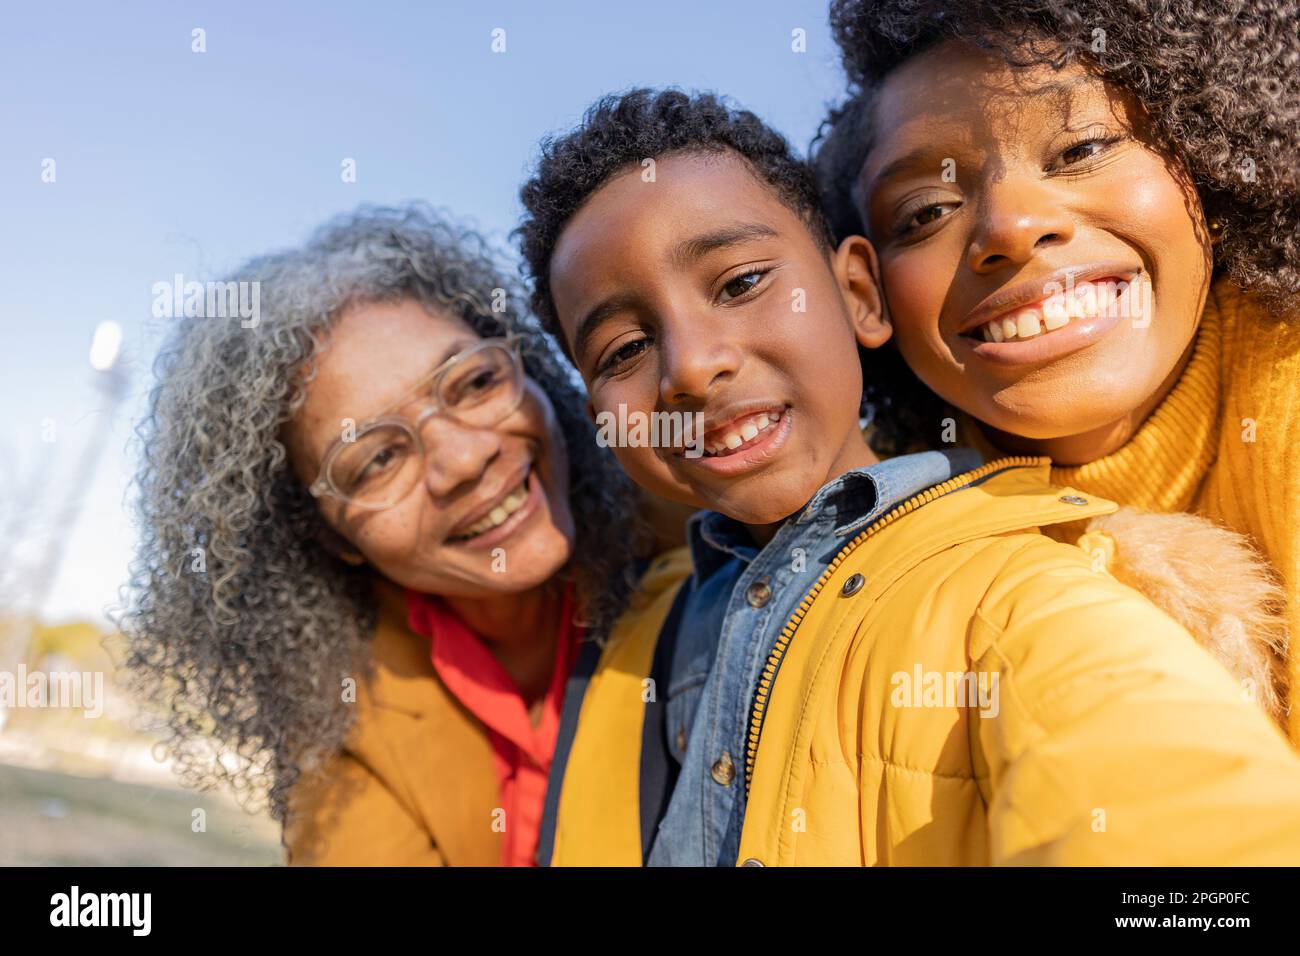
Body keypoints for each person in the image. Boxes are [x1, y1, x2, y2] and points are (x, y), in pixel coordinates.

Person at [516, 89, 1300, 865]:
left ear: (858, 293)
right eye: (623, 350)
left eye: (741, 283)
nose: (690, 366)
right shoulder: (627, 628)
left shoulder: (1020, 591)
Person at [119, 204, 690, 866]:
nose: (465, 459)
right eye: (377, 460)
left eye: (474, 381)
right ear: (333, 538)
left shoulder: (712, 534)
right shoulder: (343, 733)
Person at [814, 0, 1300, 737]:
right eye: (924, 211)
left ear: (1204, 158)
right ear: (865, 292)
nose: (1009, 225)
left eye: (1081, 150)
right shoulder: (874, 570)